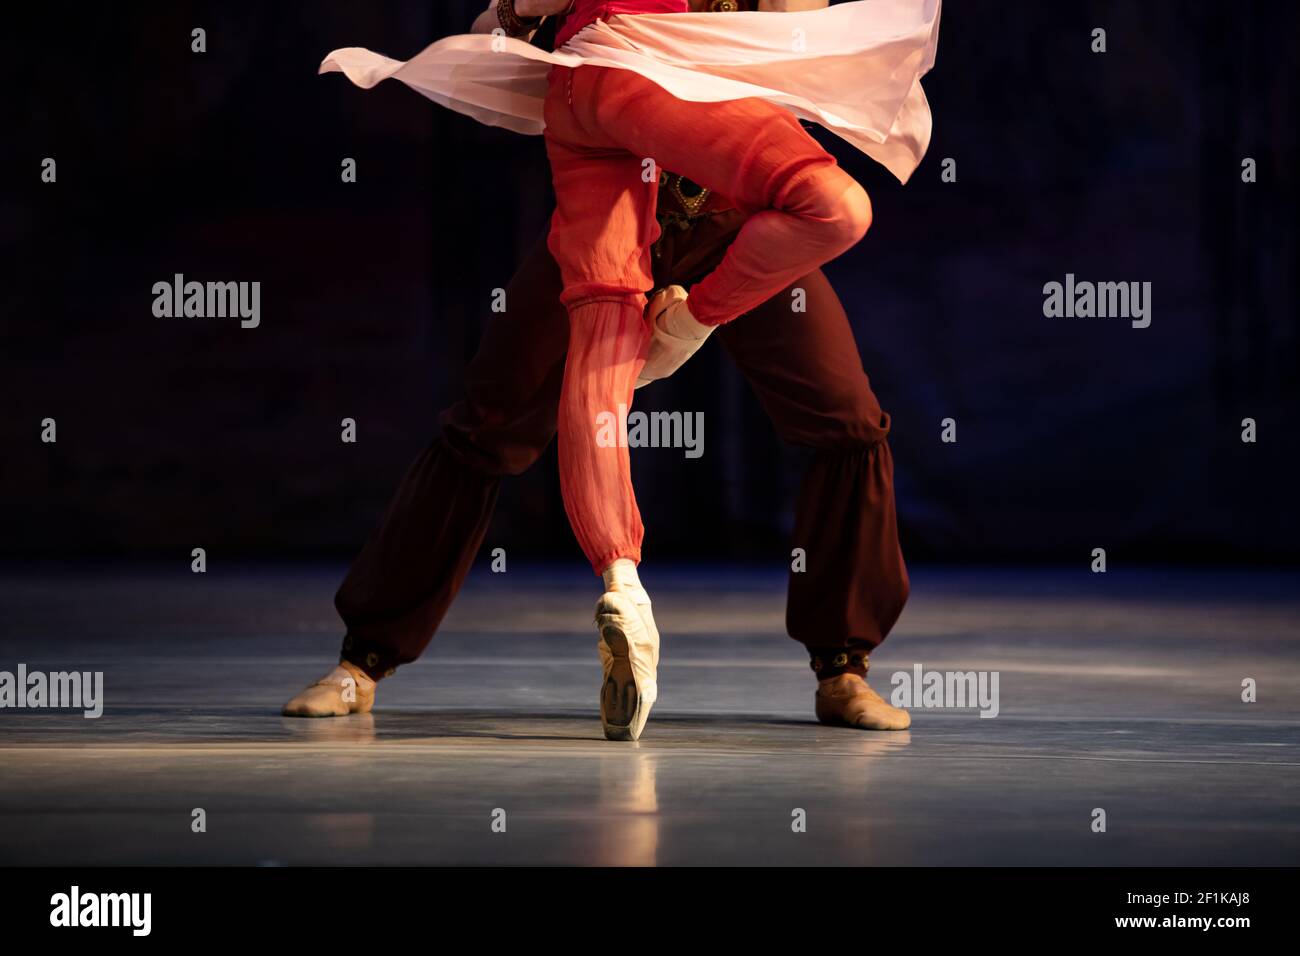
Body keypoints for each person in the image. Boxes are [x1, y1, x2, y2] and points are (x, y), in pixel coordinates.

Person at [285, 0, 938, 737]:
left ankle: (842, 669)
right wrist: (521, 12)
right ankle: (363, 661)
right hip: (614, 203)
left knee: (845, 419)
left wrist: (694, 316)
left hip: (731, 222)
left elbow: (807, 51)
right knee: (487, 426)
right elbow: (498, 37)